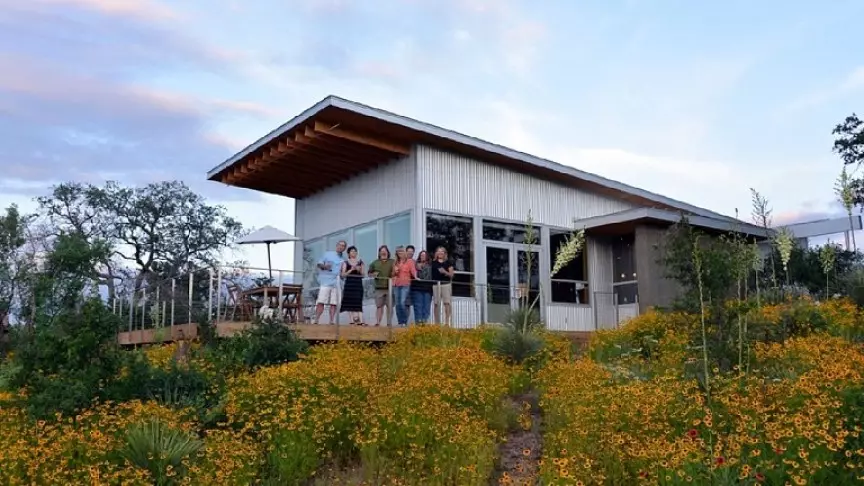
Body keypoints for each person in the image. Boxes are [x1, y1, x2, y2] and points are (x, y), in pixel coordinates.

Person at [314, 240, 346, 324]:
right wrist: (325, 266)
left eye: (343, 246)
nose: (341, 247)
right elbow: (319, 264)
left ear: (344, 248)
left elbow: (343, 273)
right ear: (336, 245)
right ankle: (316, 320)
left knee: (334, 303)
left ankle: (331, 321)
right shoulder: (327, 254)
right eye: (340, 245)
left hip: (336, 283)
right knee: (321, 301)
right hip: (325, 282)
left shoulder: (343, 260)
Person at [367, 245, 394, 326]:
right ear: (379, 253)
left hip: (390, 288)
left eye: (385, 250)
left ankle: (389, 323)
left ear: (387, 252)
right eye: (381, 251)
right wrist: (373, 274)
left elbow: (396, 272)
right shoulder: (375, 263)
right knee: (379, 306)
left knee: (390, 307)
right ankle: (378, 322)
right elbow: (369, 273)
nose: (383, 252)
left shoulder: (392, 261)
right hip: (379, 288)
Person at [391, 246, 416, 327]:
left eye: (401, 251)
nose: (400, 253)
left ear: (404, 252)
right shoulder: (395, 262)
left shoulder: (409, 261)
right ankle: (400, 322)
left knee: (402, 303)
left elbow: (413, 271)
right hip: (396, 284)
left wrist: (416, 277)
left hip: (405, 284)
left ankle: (404, 321)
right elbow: (392, 274)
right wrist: (394, 271)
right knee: (397, 304)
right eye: (398, 252)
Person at [339, 246, 365, 325]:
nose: (353, 253)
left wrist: (358, 270)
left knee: (358, 301)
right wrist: (351, 270)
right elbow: (342, 275)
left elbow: (363, 275)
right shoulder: (345, 262)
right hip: (349, 284)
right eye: (352, 251)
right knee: (349, 302)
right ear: (348, 253)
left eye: (355, 251)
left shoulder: (360, 262)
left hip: (358, 284)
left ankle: (361, 320)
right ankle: (351, 320)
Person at [431, 246, 455, 325]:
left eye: (442, 251)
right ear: (436, 253)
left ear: (445, 253)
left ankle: (447, 323)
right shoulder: (433, 263)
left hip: (446, 285)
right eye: (438, 251)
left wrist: (445, 272)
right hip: (435, 285)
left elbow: (452, 275)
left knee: (447, 303)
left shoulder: (448, 263)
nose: (440, 253)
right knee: (436, 304)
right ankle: (437, 323)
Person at [410, 250, 433, 324]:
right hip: (417, 288)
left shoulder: (430, 265)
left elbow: (428, 277)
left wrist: (423, 268)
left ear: (427, 257)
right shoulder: (415, 265)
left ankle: (424, 323)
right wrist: (417, 269)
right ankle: (418, 323)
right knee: (418, 307)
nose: (423, 256)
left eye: (424, 255)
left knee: (426, 307)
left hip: (427, 289)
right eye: (421, 255)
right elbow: (413, 275)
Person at [405, 245, 415, 320]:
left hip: (411, 286)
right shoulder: (401, 261)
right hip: (401, 285)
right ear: (406, 252)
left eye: (412, 252)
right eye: (409, 251)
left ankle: (405, 321)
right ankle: (402, 321)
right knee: (402, 304)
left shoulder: (415, 262)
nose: (410, 253)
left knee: (407, 304)